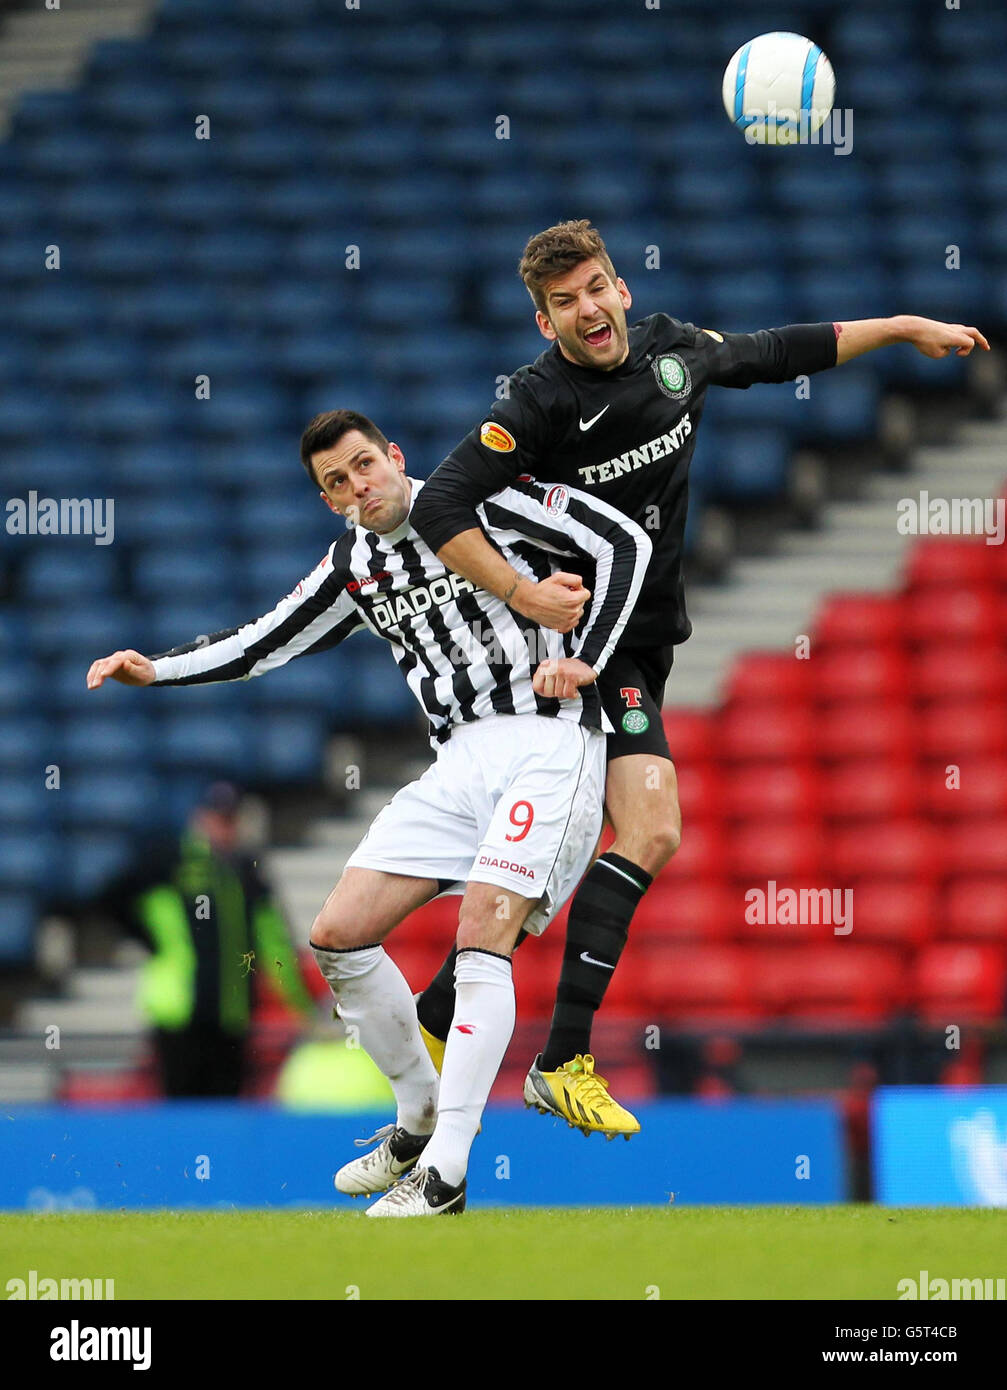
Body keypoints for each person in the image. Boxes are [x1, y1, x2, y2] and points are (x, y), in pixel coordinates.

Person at [408, 218, 991, 1134]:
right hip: (578, 652)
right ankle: (559, 1056)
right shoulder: (535, 403)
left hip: (645, 643)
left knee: (570, 864)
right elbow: (440, 501)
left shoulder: (676, 355)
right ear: (543, 322)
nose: (588, 310)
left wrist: (903, 326)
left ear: (621, 290)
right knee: (651, 827)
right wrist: (526, 595)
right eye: (564, 303)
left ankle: (446, 1010)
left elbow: (779, 349)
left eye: (596, 288)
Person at [86, 409, 651, 1215]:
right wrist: (158, 670)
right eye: (337, 482)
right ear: (328, 500)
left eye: (364, 466)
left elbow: (619, 542)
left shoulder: (479, 498)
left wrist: (586, 653)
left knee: (481, 937)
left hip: (547, 741)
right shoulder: (354, 561)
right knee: (337, 933)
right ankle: (417, 1118)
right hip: (457, 760)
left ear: (395, 456)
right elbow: (262, 642)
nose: (359, 487)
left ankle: (447, 1174)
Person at [96, 781, 314, 1097]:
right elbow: (110, 898)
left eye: (230, 819)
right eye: (218, 818)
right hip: (177, 1014)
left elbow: (274, 943)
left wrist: (302, 1009)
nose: (224, 828)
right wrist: (151, 940)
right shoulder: (170, 860)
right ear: (200, 817)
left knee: (224, 1117)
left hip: (233, 1017)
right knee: (182, 1118)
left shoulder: (247, 871)